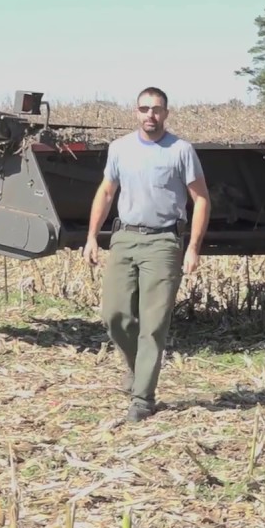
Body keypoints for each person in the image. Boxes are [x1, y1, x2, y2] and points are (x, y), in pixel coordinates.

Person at [83, 86, 210, 422]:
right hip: (124, 239)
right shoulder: (120, 149)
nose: (150, 115)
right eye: (144, 109)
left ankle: (142, 398)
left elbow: (200, 200)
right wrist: (92, 237)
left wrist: (193, 248)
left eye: (156, 109)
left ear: (166, 113)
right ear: (136, 112)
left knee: (153, 325)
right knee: (115, 315)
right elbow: (107, 192)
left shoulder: (181, 150)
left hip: (164, 244)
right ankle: (136, 367)